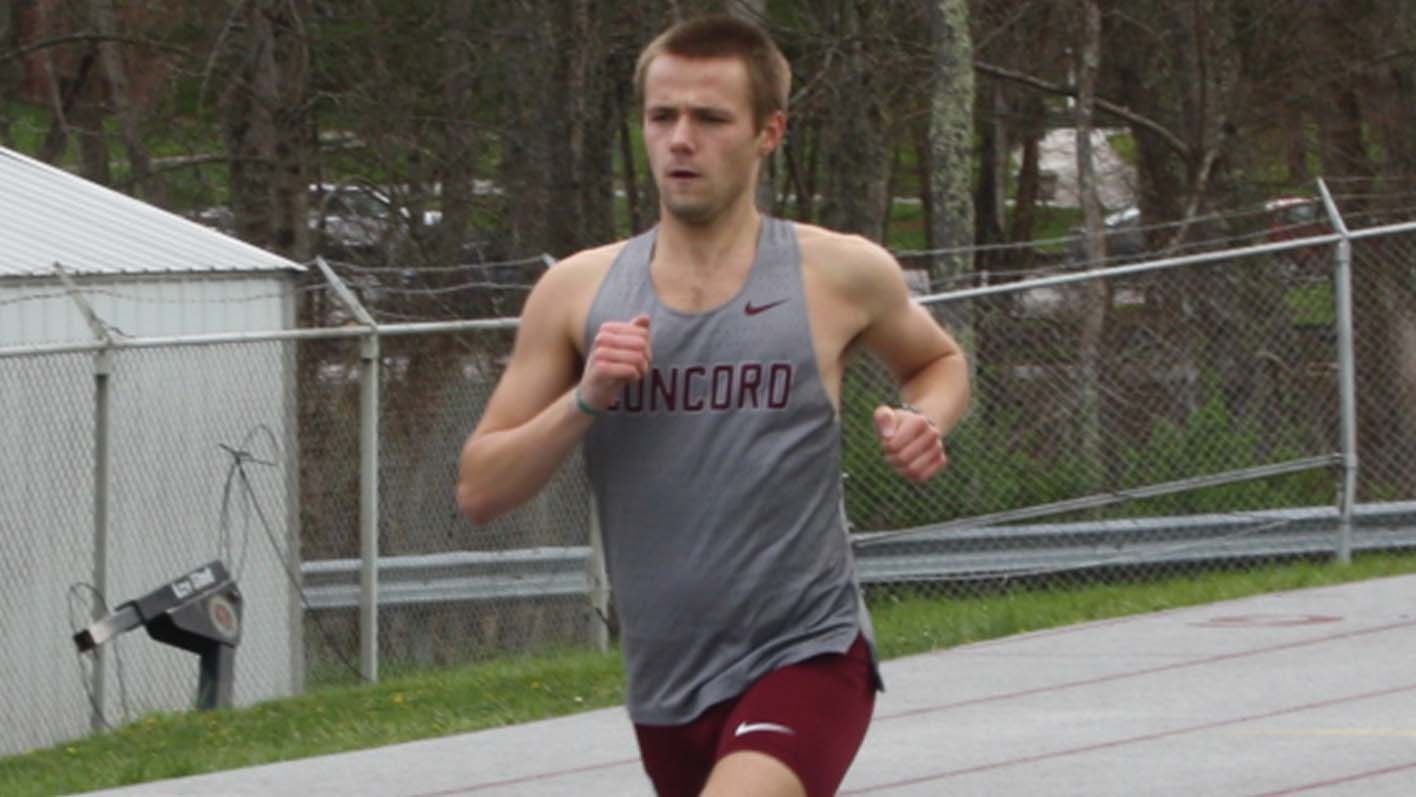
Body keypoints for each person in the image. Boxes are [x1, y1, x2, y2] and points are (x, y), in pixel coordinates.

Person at [456, 14, 970, 797]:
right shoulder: (580, 293)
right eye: (663, 117)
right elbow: (480, 490)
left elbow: (938, 359)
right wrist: (585, 400)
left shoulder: (836, 273)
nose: (681, 139)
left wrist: (924, 418)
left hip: (807, 650)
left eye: (710, 118)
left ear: (768, 132)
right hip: (666, 681)